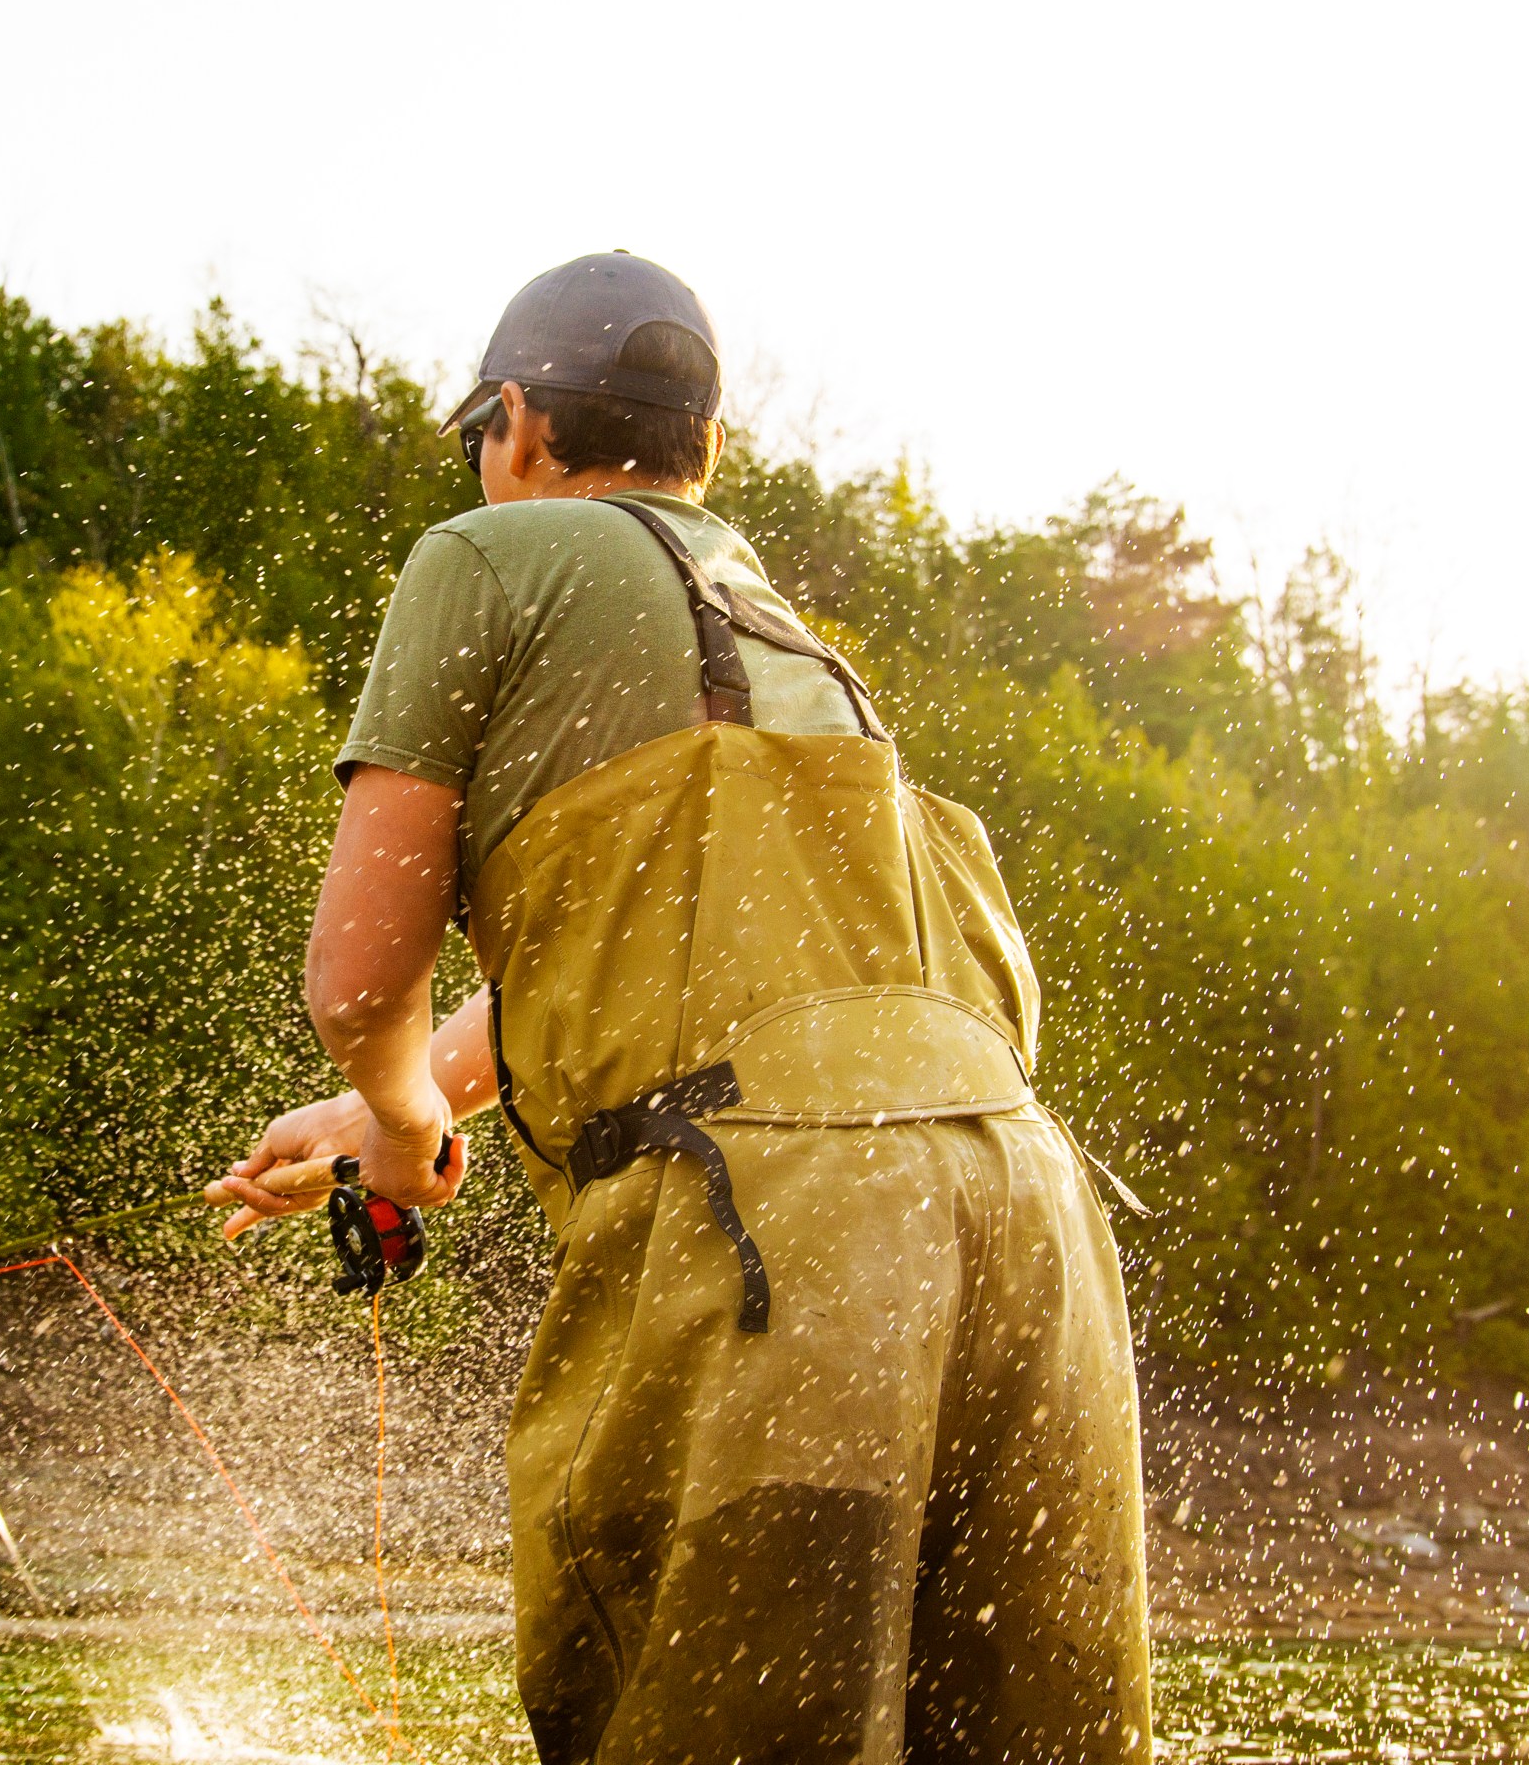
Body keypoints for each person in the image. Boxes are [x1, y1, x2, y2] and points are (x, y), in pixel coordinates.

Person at [213, 253, 1150, 1763]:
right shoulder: (786, 637)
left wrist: (394, 1118)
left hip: (785, 1248)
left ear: (519, 424)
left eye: (481, 441)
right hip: (1035, 1239)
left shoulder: (486, 558)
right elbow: (705, 992)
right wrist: (389, 1102)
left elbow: (357, 981)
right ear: (702, 447)